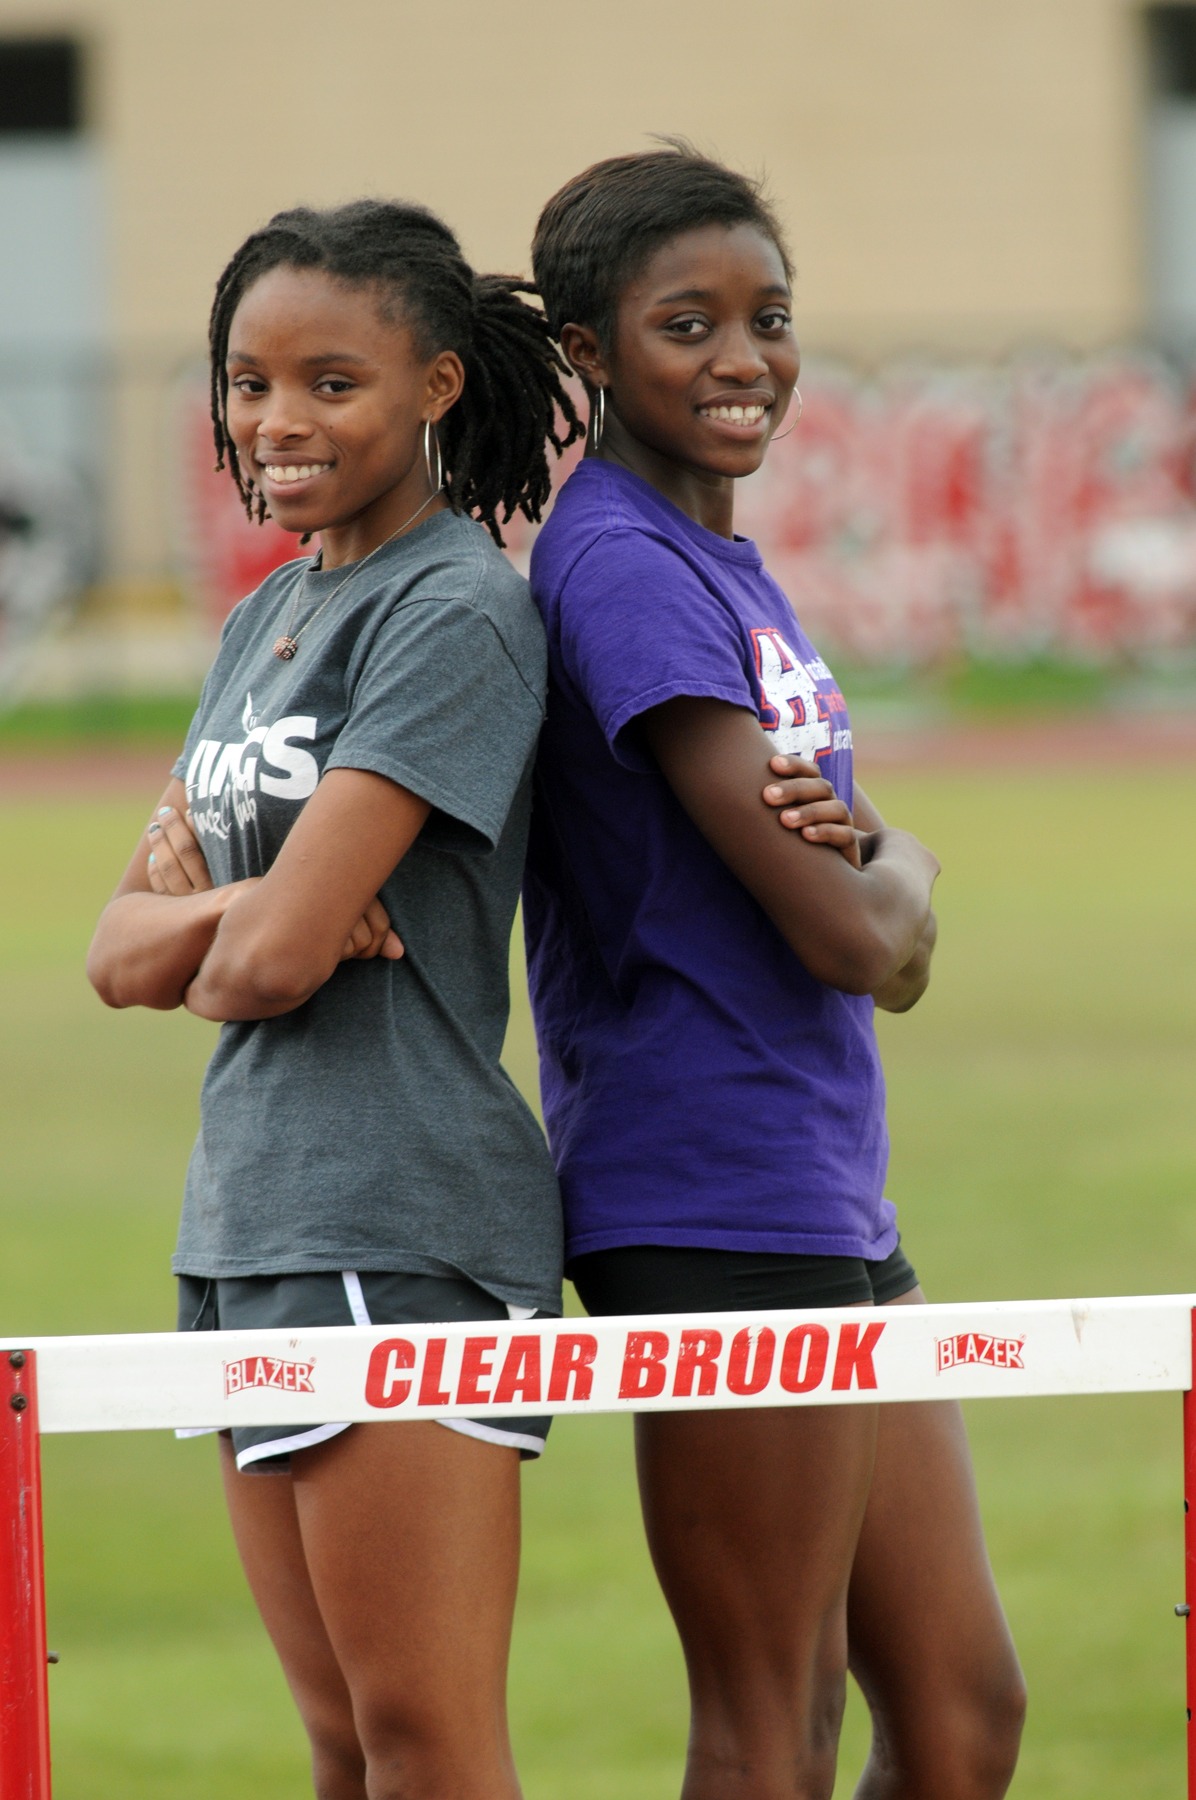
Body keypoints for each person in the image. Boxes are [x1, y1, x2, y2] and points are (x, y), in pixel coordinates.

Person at [521, 145, 1026, 1800]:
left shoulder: (719, 560)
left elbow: (888, 944)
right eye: (689, 324)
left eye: (770, 317)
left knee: (961, 1721)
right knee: (774, 1728)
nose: (745, 360)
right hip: (708, 1188)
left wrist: (889, 879)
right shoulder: (616, 564)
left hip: (823, 1186)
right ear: (589, 349)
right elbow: (860, 930)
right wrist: (912, 860)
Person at [87, 198, 581, 1800]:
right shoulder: (263, 614)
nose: (275, 422)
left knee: (428, 1746)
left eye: (329, 381)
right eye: (245, 382)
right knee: (342, 1750)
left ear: (435, 387)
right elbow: (119, 954)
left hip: (399, 1222)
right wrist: (261, 894)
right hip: (248, 1222)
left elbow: (251, 970)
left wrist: (234, 919)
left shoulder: (453, 612)